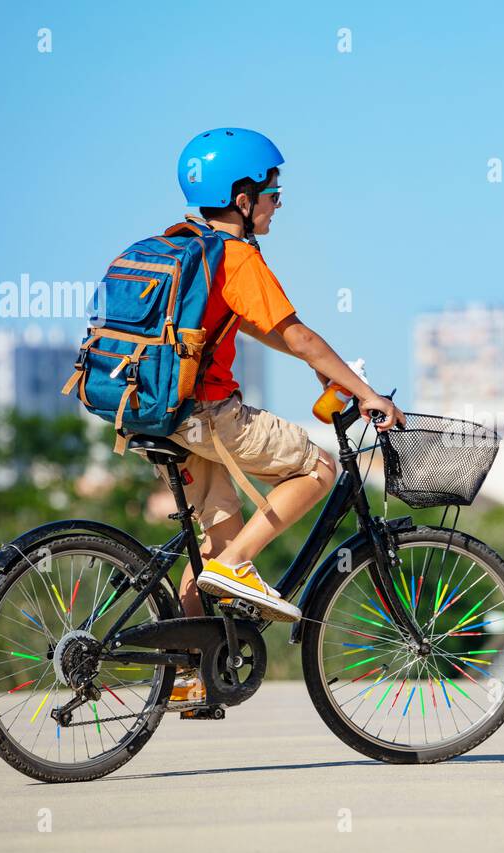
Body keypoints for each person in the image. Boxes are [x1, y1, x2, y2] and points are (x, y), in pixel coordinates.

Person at [164, 128, 403, 701]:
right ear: (241, 198)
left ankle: (183, 674)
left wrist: (327, 374)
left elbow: (250, 326)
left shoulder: (185, 245)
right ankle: (238, 567)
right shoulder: (236, 256)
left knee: (212, 548)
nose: (277, 204)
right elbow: (297, 335)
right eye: (272, 193)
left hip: (164, 415)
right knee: (319, 469)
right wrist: (366, 392)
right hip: (210, 414)